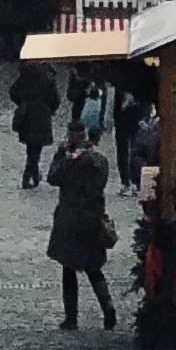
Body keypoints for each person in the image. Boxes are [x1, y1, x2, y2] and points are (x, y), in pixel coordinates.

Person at [48, 110, 118, 332]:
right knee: (79, 268)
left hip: (82, 220)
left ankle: (102, 311)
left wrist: (74, 162)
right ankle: (79, 315)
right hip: (73, 220)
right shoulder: (72, 158)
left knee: (88, 268)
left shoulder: (95, 161)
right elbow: (52, 178)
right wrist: (64, 157)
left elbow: (95, 186)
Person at [12, 54, 61, 189]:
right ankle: (28, 176)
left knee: (31, 148)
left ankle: (33, 175)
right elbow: (56, 99)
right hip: (42, 115)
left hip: (26, 114)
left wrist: (22, 103)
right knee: (36, 149)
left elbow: (13, 92)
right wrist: (49, 109)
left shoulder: (23, 76)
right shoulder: (48, 78)